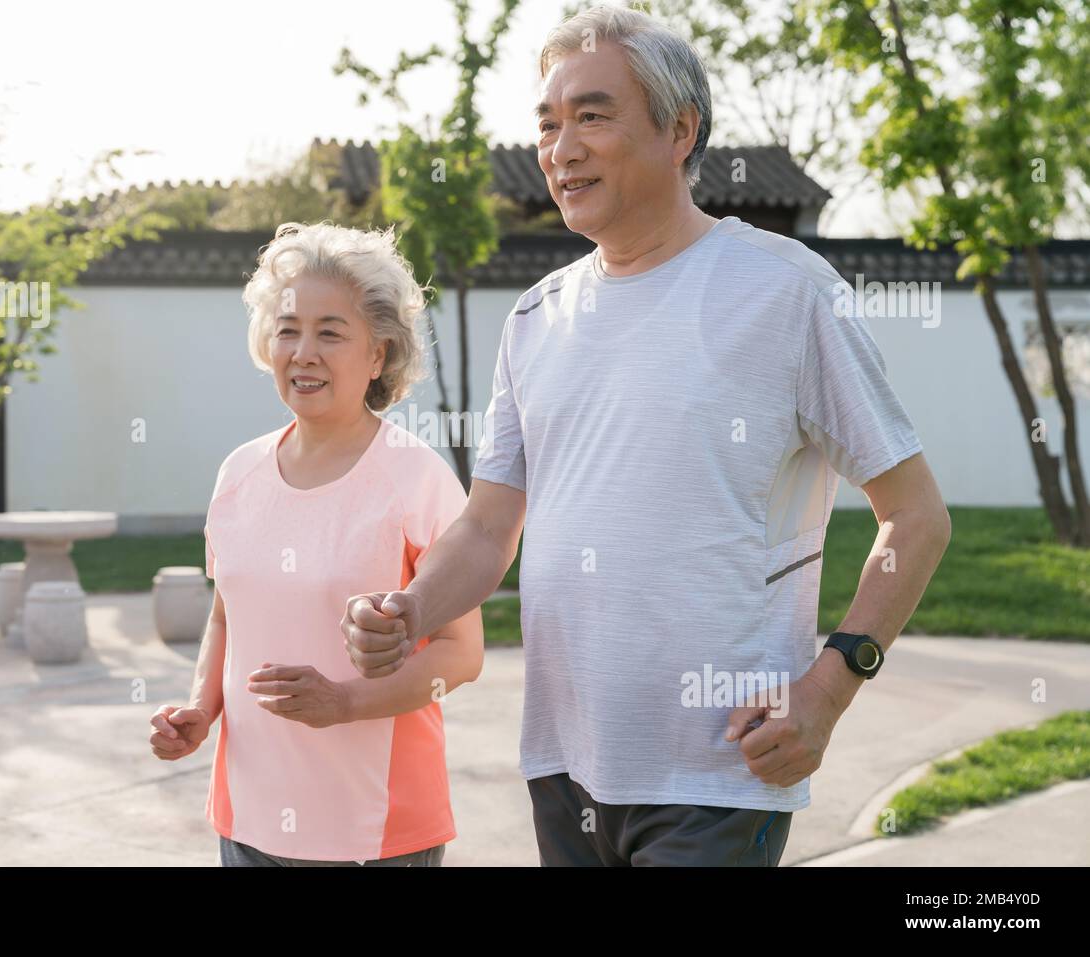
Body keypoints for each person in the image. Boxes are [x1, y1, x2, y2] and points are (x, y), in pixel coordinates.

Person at [341, 5, 951, 867]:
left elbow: (917, 517)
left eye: (593, 115)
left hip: (719, 767)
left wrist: (830, 686)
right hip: (565, 763)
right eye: (549, 124)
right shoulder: (536, 318)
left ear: (679, 131)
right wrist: (409, 612)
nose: (562, 148)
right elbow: (486, 531)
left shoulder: (785, 292)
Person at [149, 221, 483, 867]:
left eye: (331, 332)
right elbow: (227, 615)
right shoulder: (236, 474)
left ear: (379, 354)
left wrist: (345, 702)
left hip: (376, 832)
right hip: (247, 821)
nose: (304, 351)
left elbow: (462, 653)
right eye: (288, 328)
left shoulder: (418, 478)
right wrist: (200, 707)